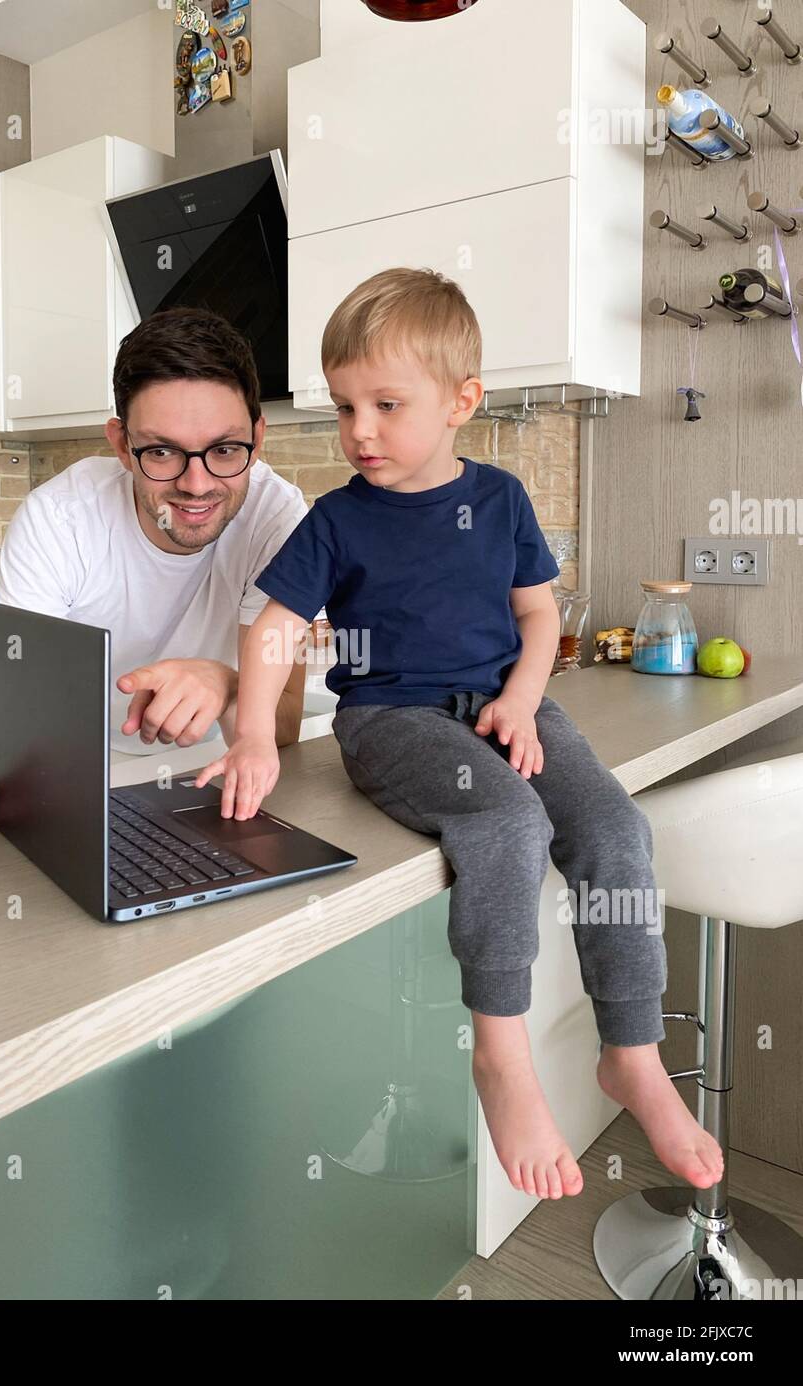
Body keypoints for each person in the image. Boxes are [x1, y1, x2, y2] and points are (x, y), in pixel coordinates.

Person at [193, 267, 725, 1202]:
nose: (359, 430)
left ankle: (632, 1052)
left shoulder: (504, 499)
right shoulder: (336, 520)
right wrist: (254, 737)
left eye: (386, 404)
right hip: (392, 720)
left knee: (612, 828)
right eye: (346, 404)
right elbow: (273, 623)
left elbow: (537, 618)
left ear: (460, 402)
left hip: (506, 704)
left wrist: (523, 701)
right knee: (509, 826)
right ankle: (501, 1056)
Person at [0, 306, 317, 850]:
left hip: (221, 766)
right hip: (77, 776)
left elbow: (284, 721)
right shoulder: (59, 520)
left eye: (224, 450)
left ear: (258, 438)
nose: (196, 484)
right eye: (161, 451)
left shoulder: (279, 519)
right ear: (122, 445)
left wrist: (225, 682)